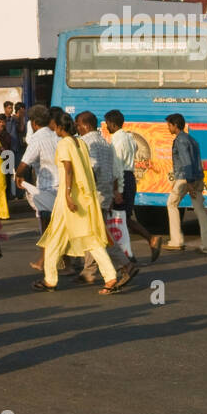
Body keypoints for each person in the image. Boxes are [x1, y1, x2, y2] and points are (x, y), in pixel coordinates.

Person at [35, 113, 121, 295]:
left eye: (54, 125)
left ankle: (110, 276)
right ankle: (50, 279)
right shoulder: (79, 142)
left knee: (71, 239)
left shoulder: (65, 143)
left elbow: (68, 169)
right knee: (64, 238)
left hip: (69, 199)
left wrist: (67, 195)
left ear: (60, 127)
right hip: (81, 197)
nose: (52, 129)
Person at [74, 111, 137, 287]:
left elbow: (91, 168)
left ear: (85, 125)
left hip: (91, 197)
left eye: (78, 124)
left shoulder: (86, 143)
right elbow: (112, 172)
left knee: (98, 236)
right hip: (104, 195)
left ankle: (125, 264)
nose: (77, 128)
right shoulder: (105, 142)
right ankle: (89, 271)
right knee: (93, 233)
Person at [104, 109, 162, 260]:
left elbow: (117, 169)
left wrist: (117, 191)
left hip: (122, 178)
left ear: (113, 124)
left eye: (107, 124)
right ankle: (130, 253)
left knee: (120, 218)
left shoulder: (117, 141)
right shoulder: (129, 137)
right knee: (124, 218)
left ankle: (143, 244)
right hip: (130, 177)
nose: (106, 127)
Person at [15, 105, 59, 270]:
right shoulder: (57, 136)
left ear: (34, 123)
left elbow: (23, 164)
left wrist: (18, 176)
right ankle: (57, 262)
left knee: (46, 227)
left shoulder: (37, 139)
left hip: (47, 191)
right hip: (63, 189)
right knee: (61, 227)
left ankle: (46, 263)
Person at [164, 114, 207, 253]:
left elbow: (186, 162)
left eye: (169, 125)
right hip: (197, 177)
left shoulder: (180, 140)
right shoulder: (192, 139)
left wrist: (189, 183)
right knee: (199, 209)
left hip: (186, 178)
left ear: (175, 125)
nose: (168, 127)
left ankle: (176, 240)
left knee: (171, 204)